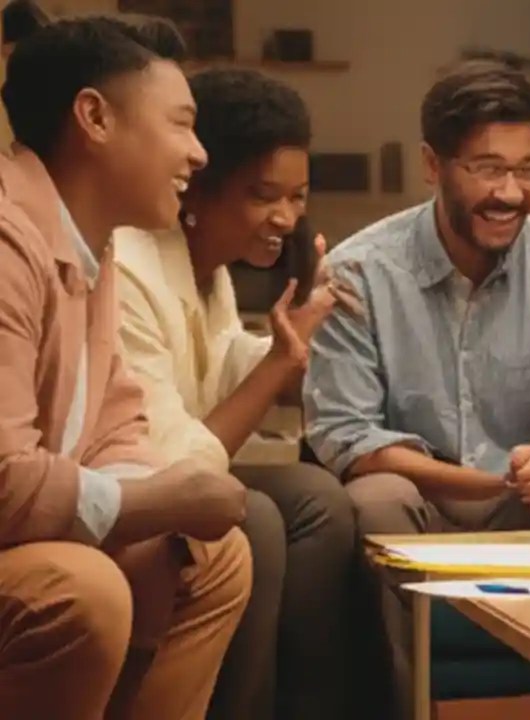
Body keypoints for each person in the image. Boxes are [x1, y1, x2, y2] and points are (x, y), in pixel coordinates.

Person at [303, 59, 530, 720]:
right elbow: (345, 437)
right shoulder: (358, 269)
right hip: (419, 505)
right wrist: (482, 481)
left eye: (527, 169)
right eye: (486, 168)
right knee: (375, 497)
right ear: (431, 165)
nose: (510, 192)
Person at [0, 15, 251, 720]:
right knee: (82, 586)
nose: (199, 154)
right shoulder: (6, 239)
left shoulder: (91, 243)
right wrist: (157, 502)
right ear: (95, 117)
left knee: (212, 555)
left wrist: (162, 504)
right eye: (181, 124)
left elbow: (117, 422)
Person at [112, 68, 360, 720]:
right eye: (262, 196)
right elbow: (181, 462)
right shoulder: (131, 268)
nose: (285, 217)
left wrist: (302, 327)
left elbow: (224, 373)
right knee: (261, 522)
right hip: (130, 487)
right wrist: (281, 361)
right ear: (200, 185)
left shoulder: (209, 269)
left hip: (182, 467)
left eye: (298, 196)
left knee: (320, 501)